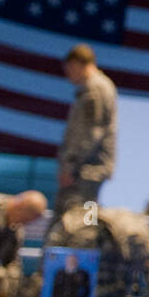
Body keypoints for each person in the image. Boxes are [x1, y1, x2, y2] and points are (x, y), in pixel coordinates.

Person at [56, 44, 118, 218]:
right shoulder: (96, 88)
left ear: (77, 63)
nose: (68, 75)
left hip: (86, 172)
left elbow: (91, 133)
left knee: (83, 222)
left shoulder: (95, 89)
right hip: (86, 171)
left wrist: (70, 165)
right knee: (82, 219)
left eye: (69, 69)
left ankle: (84, 246)